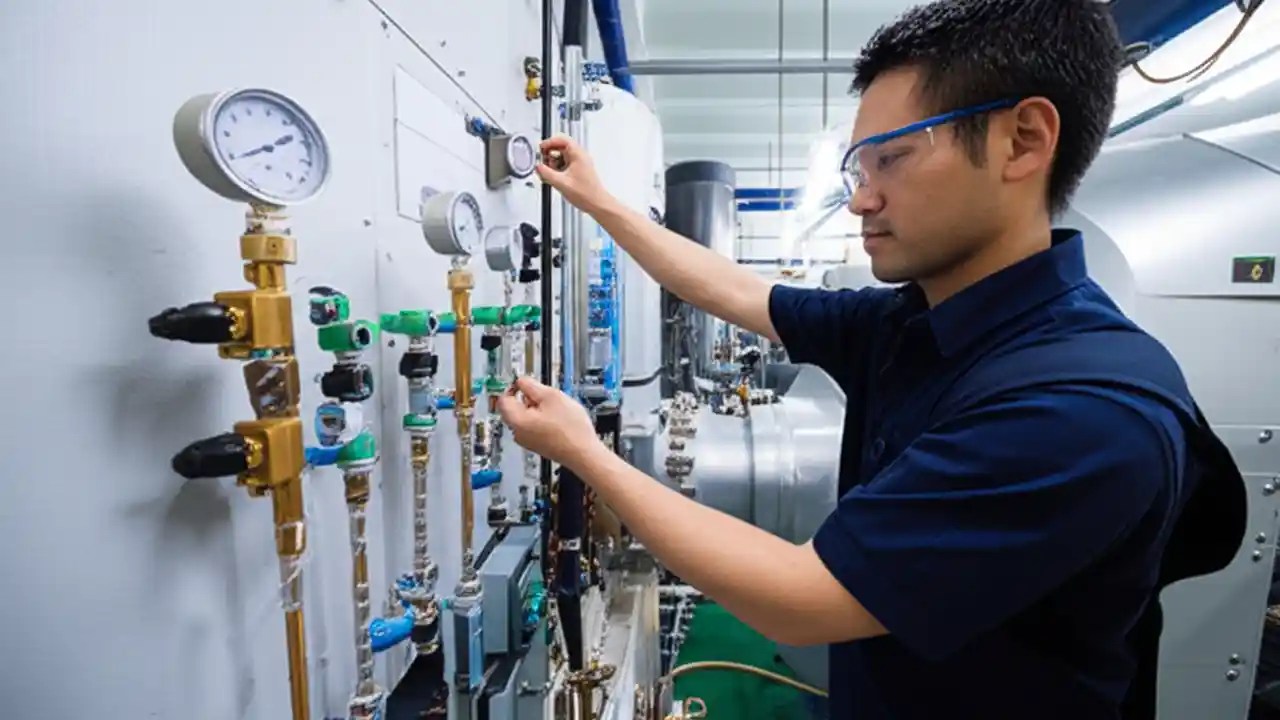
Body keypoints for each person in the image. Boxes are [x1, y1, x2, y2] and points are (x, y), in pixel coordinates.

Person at [498, 0, 1246, 718]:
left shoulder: (1080, 412)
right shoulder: (918, 319)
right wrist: (598, 201)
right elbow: (739, 292)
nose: (861, 200)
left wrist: (583, 453)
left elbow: (797, 597)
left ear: (1024, 140)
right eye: (861, 167)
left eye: (890, 159)